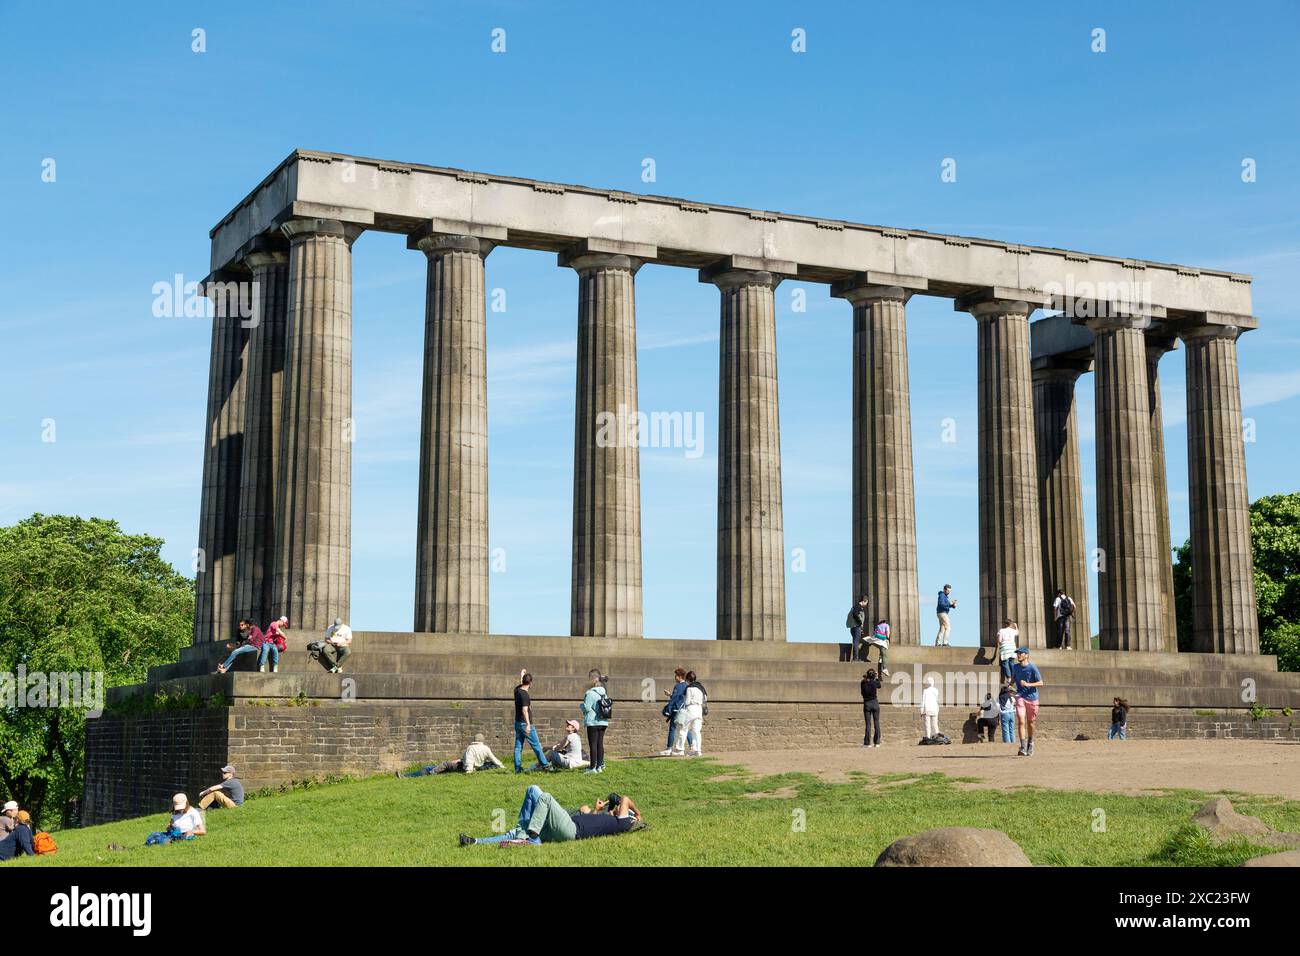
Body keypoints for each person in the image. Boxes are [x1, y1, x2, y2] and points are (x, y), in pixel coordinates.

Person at [459, 786, 644, 846]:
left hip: (570, 831)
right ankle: (476, 841)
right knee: (532, 790)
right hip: (565, 824)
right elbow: (585, 811)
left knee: (545, 797)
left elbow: (626, 799)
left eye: (619, 808)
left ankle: (531, 838)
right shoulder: (608, 819)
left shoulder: (623, 824)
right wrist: (598, 809)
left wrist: (637, 813)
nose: (617, 806)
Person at [401, 735, 505, 776]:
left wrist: (468, 771)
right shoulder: (486, 748)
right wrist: (501, 766)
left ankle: (431, 772)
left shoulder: (471, 748)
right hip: (472, 765)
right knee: (430, 768)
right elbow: (494, 759)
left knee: (443, 764)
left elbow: (469, 761)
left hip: (464, 767)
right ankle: (407, 775)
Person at [513, 670, 551, 773]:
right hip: (525, 724)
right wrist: (528, 725)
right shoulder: (525, 695)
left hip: (517, 723)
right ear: (530, 683)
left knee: (518, 747)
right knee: (536, 745)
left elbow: (521, 684)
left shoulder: (517, 690)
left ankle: (517, 768)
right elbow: (525, 710)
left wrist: (521, 675)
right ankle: (545, 765)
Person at [1011, 647, 1044, 756]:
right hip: (1020, 696)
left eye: (1020, 653)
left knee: (1031, 722)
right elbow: (1012, 680)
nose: (1018, 655)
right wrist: (1009, 687)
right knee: (1021, 720)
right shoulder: (1015, 667)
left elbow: (1041, 683)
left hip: (1032, 698)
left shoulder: (1032, 667)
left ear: (1026, 655)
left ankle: (1030, 743)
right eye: (1017, 653)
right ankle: (1023, 747)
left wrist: (1028, 684)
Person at [581, 670, 610, 774]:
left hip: (593, 722)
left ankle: (592, 767)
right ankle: (599, 766)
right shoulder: (604, 694)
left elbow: (587, 708)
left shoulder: (590, 693)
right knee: (600, 744)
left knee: (593, 745)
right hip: (603, 722)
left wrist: (581, 705)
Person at [672, 671, 706, 756]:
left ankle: (680, 749)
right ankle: (697, 750)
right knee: (696, 731)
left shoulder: (689, 688)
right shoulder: (701, 687)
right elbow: (705, 698)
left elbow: (687, 702)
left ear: (687, 679)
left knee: (683, 729)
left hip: (691, 709)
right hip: (699, 710)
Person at [660, 668, 689, 755]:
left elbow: (674, 699)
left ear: (680, 677)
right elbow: (679, 697)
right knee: (685, 729)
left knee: (672, 729)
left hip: (676, 710)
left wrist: (668, 709)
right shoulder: (686, 685)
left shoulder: (678, 686)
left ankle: (669, 748)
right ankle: (692, 746)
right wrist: (670, 694)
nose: (675, 677)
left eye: (676, 675)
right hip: (683, 709)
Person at [861, 669, 882, 748]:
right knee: (876, 722)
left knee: (868, 724)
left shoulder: (863, 682)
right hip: (875, 702)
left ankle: (867, 743)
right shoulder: (874, 682)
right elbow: (879, 685)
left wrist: (867, 677)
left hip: (867, 703)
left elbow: (862, 690)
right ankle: (877, 742)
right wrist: (876, 677)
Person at [846, 595, 869, 662]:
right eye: (866, 603)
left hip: (853, 627)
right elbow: (855, 614)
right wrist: (859, 622)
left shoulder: (854, 607)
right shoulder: (858, 606)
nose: (866, 605)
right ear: (864, 601)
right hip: (856, 627)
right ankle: (855, 658)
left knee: (855, 641)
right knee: (856, 642)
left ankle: (855, 657)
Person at [995, 619, 1019, 683]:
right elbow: (1017, 633)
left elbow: (1000, 641)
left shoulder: (1001, 630)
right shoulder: (1013, 630)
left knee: (1005, 663)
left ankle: (1009, 678)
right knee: (1011, 662)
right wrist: (1016, 626)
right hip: (1012, 648)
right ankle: (1014, 676)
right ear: (1011, 624)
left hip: (1005, 648)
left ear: (1005, 624)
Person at [920, 674, 940, 740]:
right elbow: (937, 701)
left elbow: (923, 701)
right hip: (934, 709)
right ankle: (937, 737)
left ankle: (928, 737)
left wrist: (921, 710)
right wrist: (938, 709)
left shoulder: (925, 691)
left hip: (927, 710)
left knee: (927, 725)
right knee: (935, 724)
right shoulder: (936, 690)